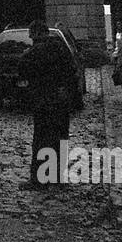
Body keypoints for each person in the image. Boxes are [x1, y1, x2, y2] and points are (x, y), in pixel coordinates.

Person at [18, 20, 78, 189]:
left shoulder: (34, 52)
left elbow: (23, 70)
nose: (29, 36)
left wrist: (25, 55)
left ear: (36, 33)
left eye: (31, 33)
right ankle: (59, 179)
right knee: (60, 139)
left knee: (41, 139)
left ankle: (40, 179)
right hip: (60, 101)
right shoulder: (61, 48)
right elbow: (72, 71)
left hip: (43, 100)